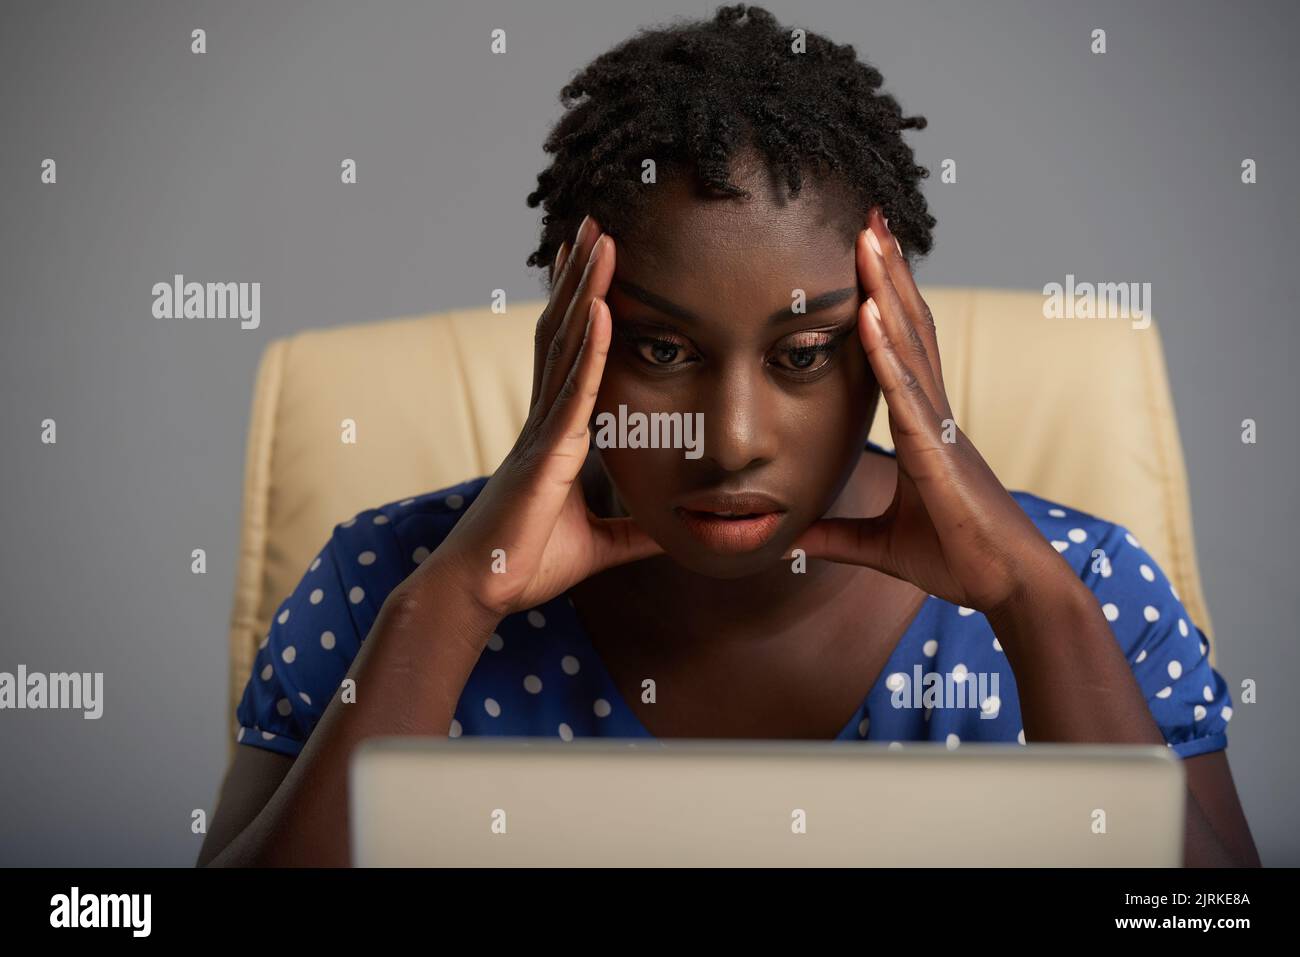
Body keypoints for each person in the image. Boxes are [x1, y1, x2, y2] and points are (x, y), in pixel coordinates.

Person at [197, 4, 1259, 867]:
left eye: (803, 354)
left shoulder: (1086, 590)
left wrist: (1036, 607)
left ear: (895, 349)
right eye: (659, 351)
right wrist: (451, 602)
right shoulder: (389, 583)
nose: (732, 441)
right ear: (570, 339)